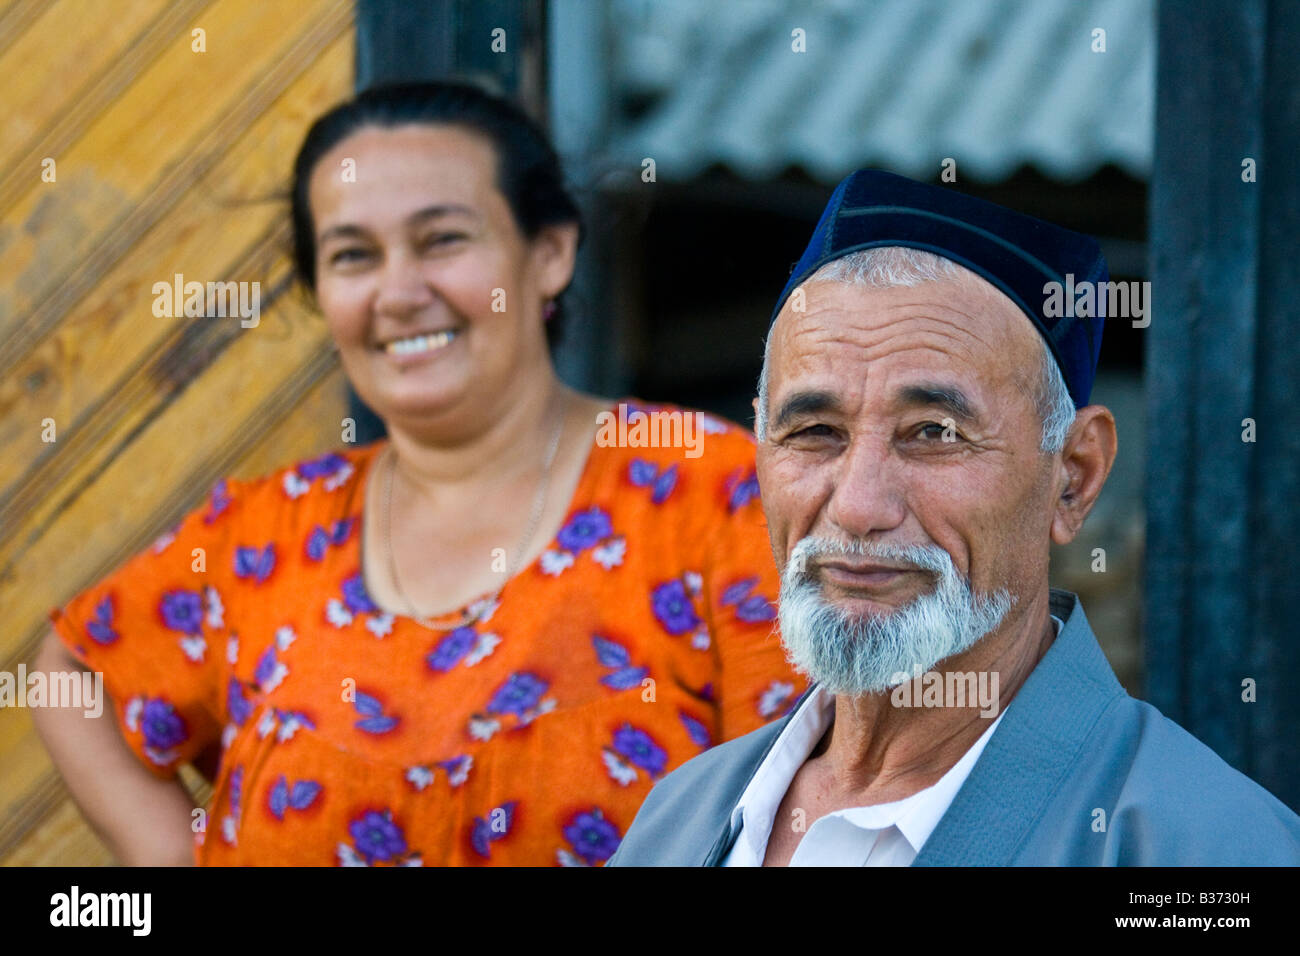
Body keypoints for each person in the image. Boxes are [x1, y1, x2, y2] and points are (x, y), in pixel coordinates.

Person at [32, 81, 805, 867]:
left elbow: (811, 783)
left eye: (442, 241)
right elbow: (72, 675)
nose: (399, 294)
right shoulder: (268, 534)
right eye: (353, 255)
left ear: (548, 252)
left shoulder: (713, 492)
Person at [608, 168, 1300, 866]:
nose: (857, 506)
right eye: (814, 430)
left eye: (934, 432)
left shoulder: (1201, 850)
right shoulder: (679, 820)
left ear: (1074, 476)